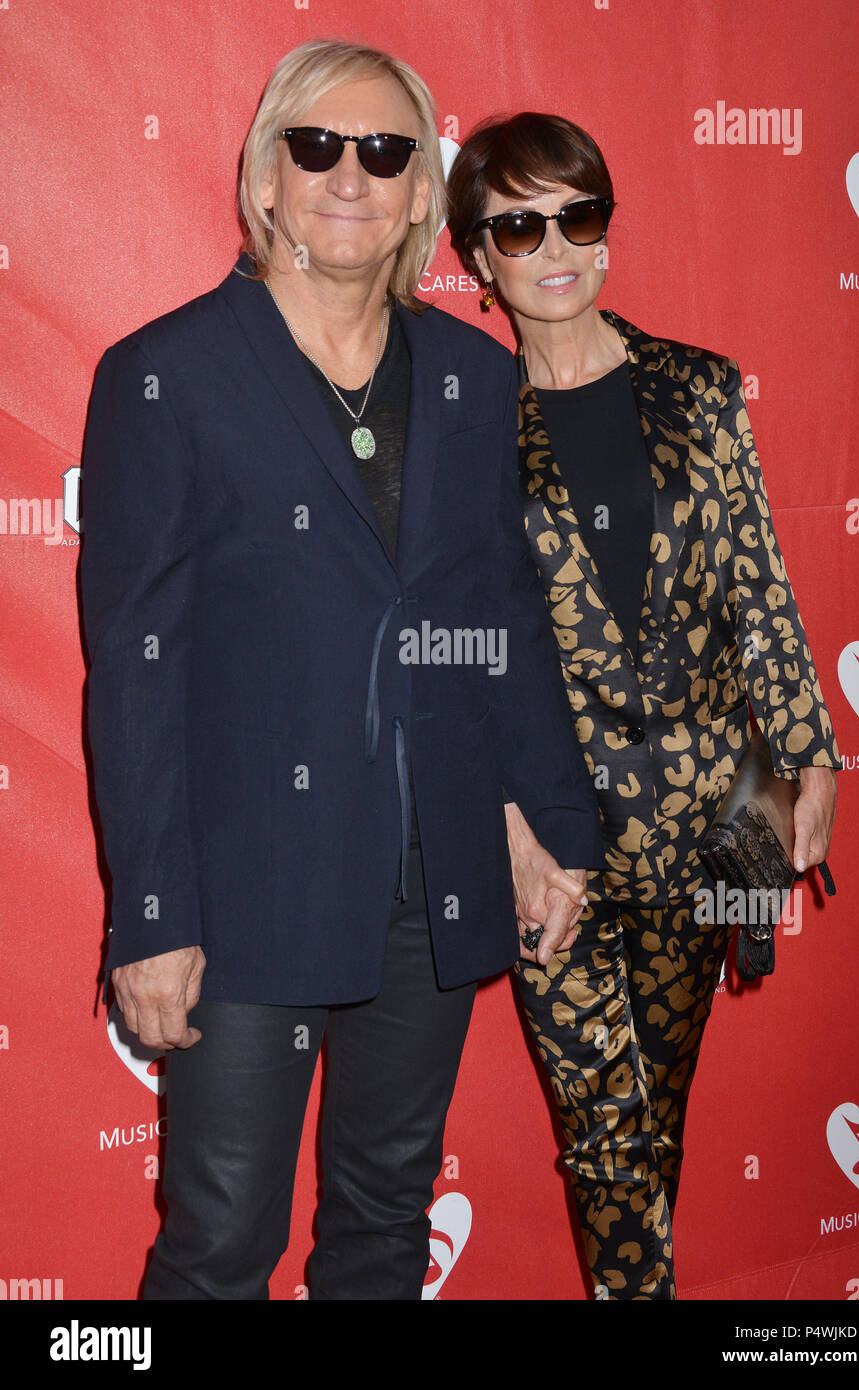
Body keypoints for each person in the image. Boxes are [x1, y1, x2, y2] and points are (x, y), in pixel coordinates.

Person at [78, 50, 602, 1301]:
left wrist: (540, 811)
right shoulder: (168, 375)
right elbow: (136, 668)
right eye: (317, 147)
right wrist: (154, 914)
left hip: (431, 878)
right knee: (218, 1248)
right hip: (247, 888)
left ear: (425, 191)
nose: (350, 176)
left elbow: (499, 619)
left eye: (386, 152)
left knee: (383, 1222)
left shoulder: (476, 378)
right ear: (266, 177)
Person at [447, 112, 841, 1300]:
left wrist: (810, 758)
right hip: (551, 840)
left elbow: (758, 590)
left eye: (579, 215)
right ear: (477, 257)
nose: (554, 245)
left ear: (607, 232)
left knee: (652, 1127)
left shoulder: (699, 389)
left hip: (708, 822)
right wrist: (503, 827)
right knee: (605, 1141)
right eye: (520, 224)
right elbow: (454, 656)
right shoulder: (463, 428)